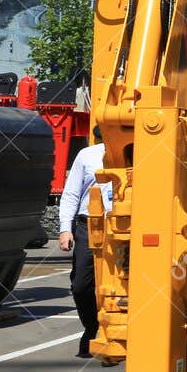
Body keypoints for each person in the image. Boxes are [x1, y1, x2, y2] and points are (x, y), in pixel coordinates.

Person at [58, 127, 113, 358]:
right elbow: (71, 193)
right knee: (81, 284)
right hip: (89, 225)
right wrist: (64, 229)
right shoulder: (87, 155)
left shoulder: (139, 153)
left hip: (124, 226)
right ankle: (92, 327)